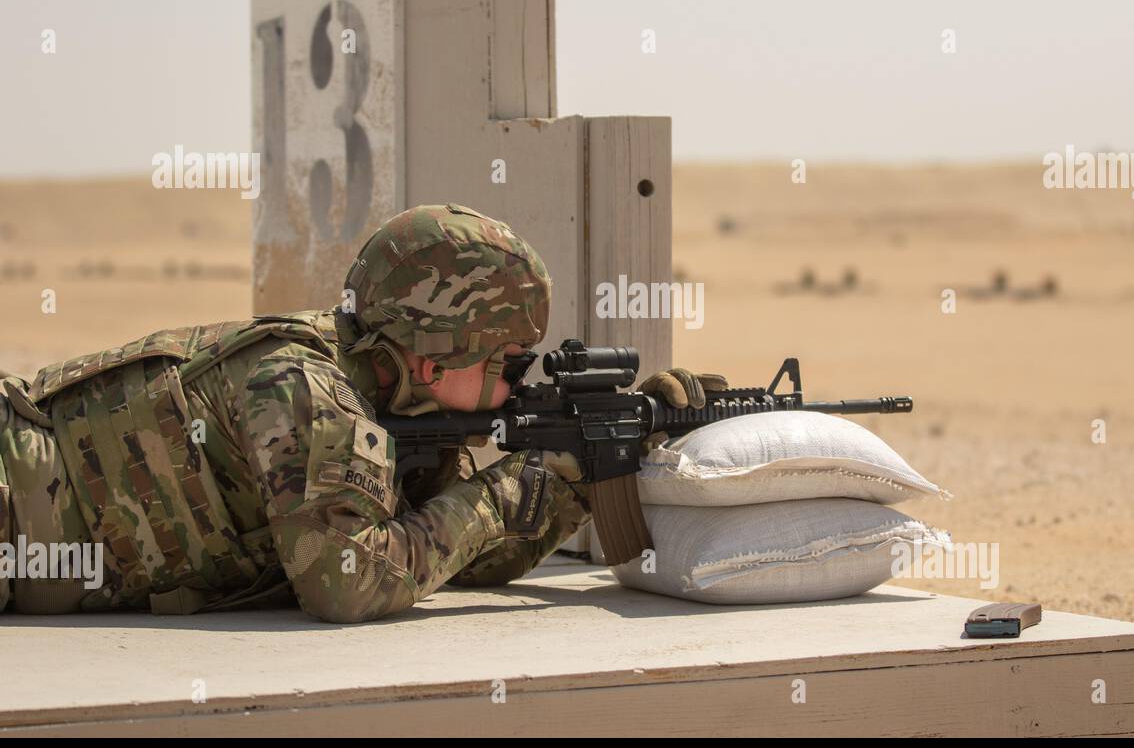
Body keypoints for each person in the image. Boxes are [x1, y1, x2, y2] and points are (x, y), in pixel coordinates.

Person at [0, 204, 724, 622]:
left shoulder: (389, 392)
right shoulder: (304, 391)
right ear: (435, 360)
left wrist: (573, 474)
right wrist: (506, 492)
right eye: (507, 364)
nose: (514, 388)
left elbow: (451, 563)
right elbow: (349, 580)